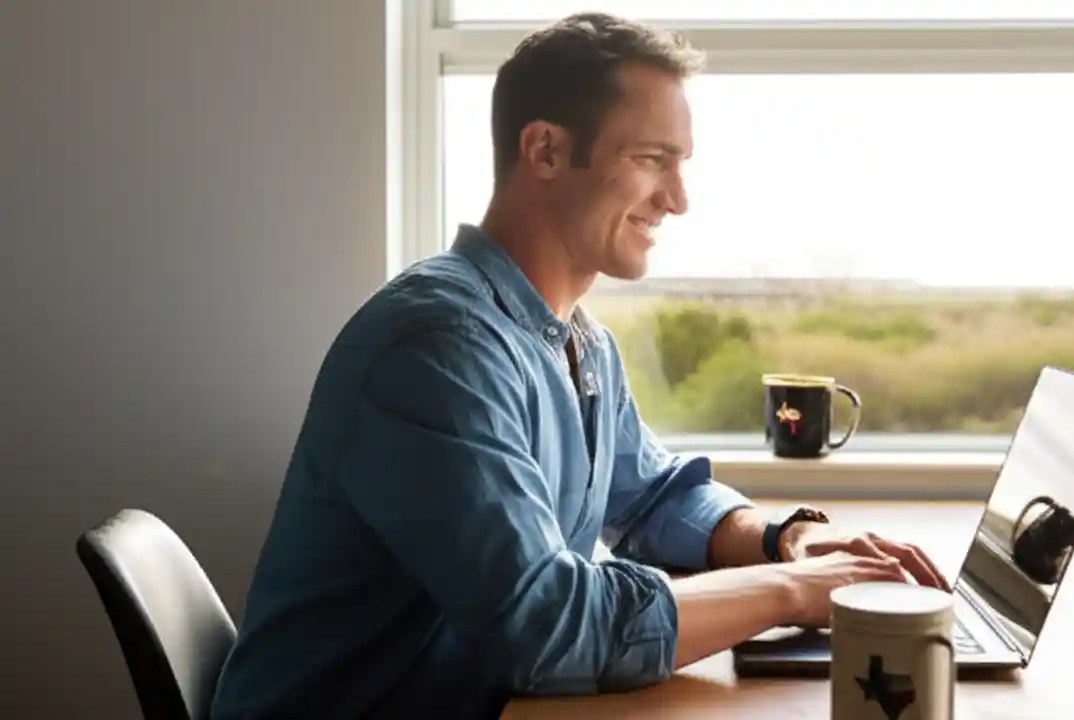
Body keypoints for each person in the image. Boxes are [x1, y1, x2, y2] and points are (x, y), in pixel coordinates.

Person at [212, 12, 949, 719]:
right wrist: (794, 589)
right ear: (545, 152)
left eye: (681, 164)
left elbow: (655, 498)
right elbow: (547, 627)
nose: (678, 200)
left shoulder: (578, 339)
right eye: (652, 160)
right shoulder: (439, 348)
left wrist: (785, 538)